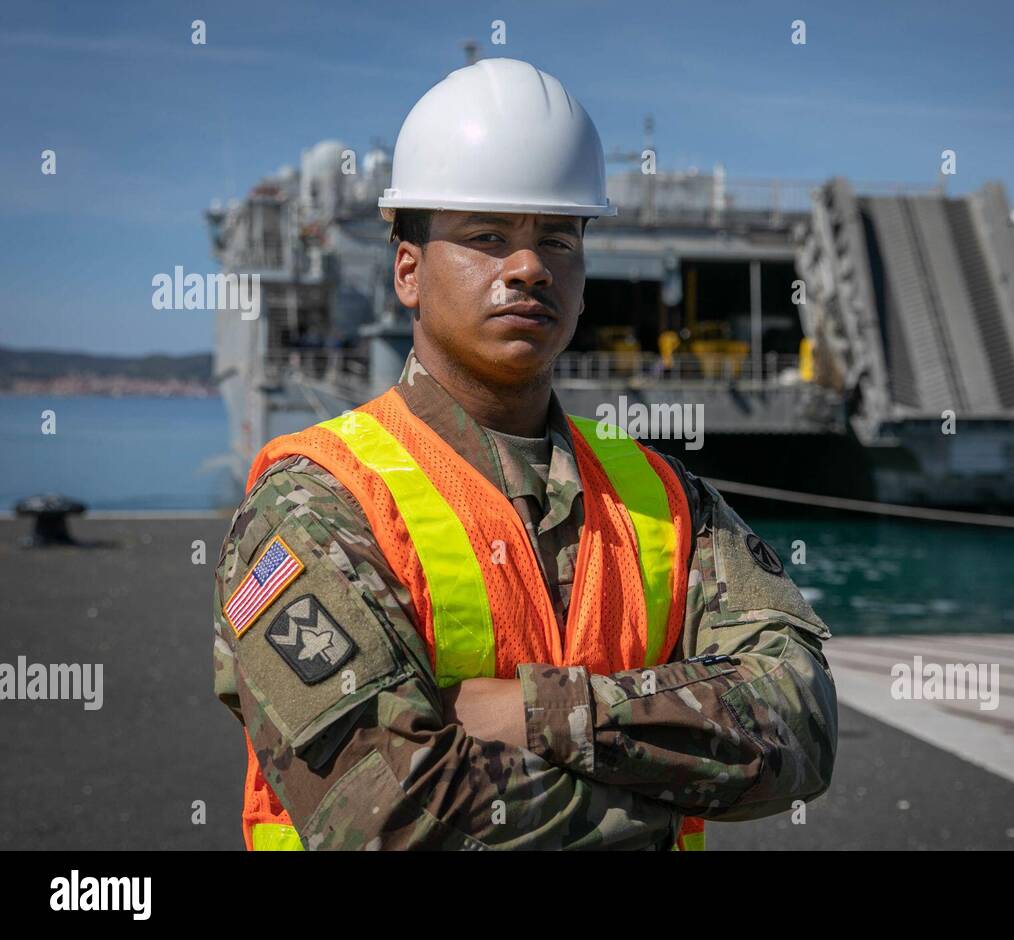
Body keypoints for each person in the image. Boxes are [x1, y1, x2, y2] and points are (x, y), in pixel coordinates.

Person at [211, 58, 837, 851]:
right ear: (408, 269)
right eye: (486, 237)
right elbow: (385, 818)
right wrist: (669, 792)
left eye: (557, 240)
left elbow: (803, 720)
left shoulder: (662, 496)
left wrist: (542, 714)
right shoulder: (318, 503)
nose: (530, 267)